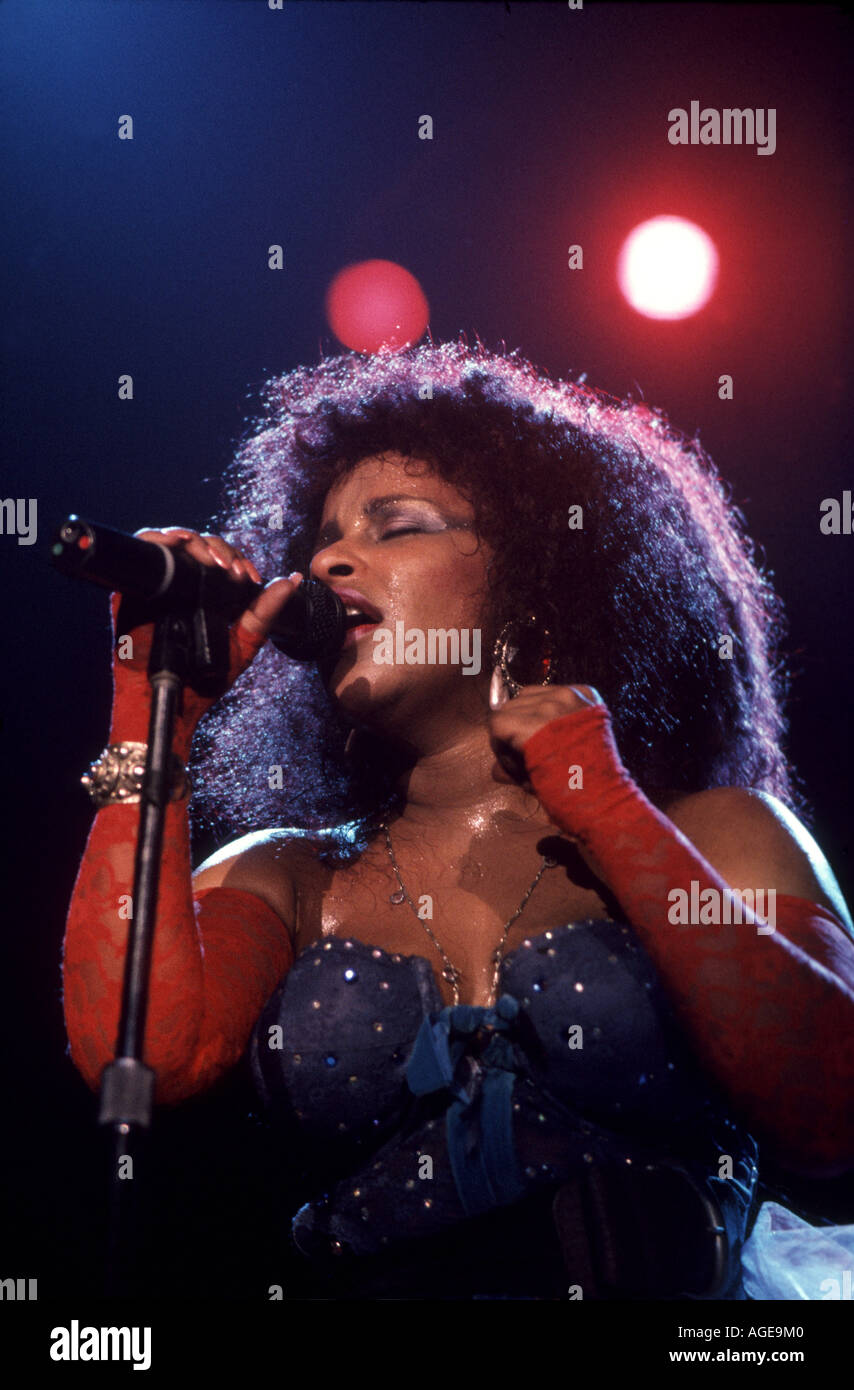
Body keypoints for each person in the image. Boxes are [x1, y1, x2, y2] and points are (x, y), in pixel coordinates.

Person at [63, 337, 854, 1301]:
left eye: (396, 527)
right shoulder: (291, 874)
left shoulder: (717, 831)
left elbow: (826, 1110)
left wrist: (600, 800)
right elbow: (138, 1056)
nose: (328, 558)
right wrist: (153, 714)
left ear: (534, 579)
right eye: (324, 535)